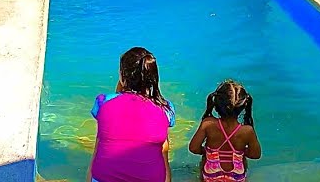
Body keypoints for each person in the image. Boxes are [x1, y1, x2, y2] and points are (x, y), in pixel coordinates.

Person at [90, 47, 176, 182]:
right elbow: (164, 155)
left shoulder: (102, 102)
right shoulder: (166, 109)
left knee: (104, 135)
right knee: (162, 143)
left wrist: (121, 88)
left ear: (122, 76)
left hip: (103, 179)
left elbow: (100, 144)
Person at [188, 80, 261, 182]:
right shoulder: (247, 131)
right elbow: (255, 154)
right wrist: (239, 153)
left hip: (211, 176)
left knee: (206, 160)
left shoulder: (208, 124)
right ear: (244, 106)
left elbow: (193, 148)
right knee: (242, 160)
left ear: (216, 104)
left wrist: (208, 151)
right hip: (236, 177)